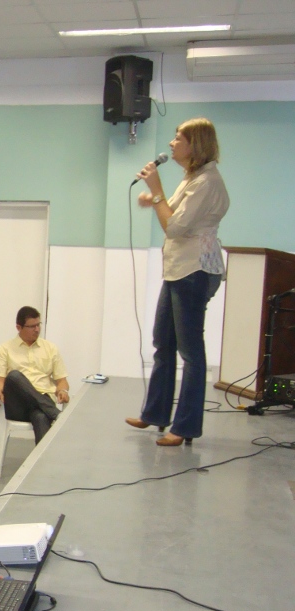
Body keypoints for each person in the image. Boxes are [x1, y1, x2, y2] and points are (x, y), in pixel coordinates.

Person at [127, 117, 230, 446]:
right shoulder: (193, 178)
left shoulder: (207, 182)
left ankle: (184, 427)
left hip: (195, 271)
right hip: (177, 269)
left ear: (195, 145)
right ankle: (156, 414)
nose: (172, 144)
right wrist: (155, 200)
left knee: (191, 352)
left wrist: (156, 192)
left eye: (178, 138)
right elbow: (174, 215)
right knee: (163, 343)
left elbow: (174, 227)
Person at [0, 306, 69, 444]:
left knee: (40, 417)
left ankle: (42, 464)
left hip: (43, 402)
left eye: (38, 325)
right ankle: (55, 413)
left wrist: (62, 390)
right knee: (14, 376)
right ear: (18, 327)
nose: (37, 329)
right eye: (32, 326)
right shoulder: (5, 349)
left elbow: (62, 380)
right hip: (18, 405)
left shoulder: (50, 348)